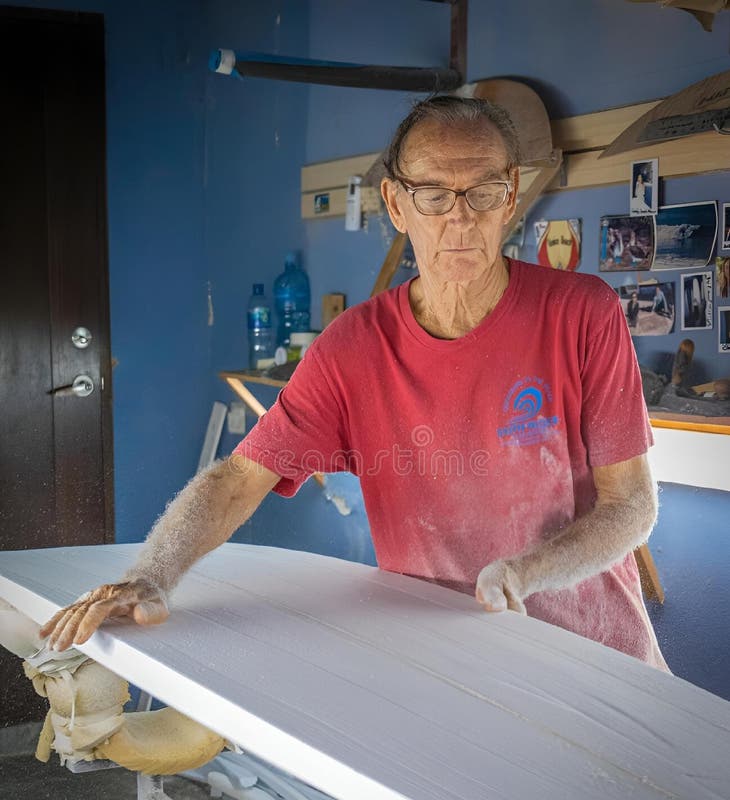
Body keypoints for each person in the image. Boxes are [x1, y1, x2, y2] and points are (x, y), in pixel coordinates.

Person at [41, 95, 668, 672]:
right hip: (447, 661)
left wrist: (527, 573)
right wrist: (153, 573)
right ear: (396, 205)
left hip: (597, 657)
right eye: (433, 195)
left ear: (510, 199)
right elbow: (237, 479)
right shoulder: (354, 348)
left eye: (482, 192)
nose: (460, 218)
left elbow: (632, 505)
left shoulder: (584, 312)